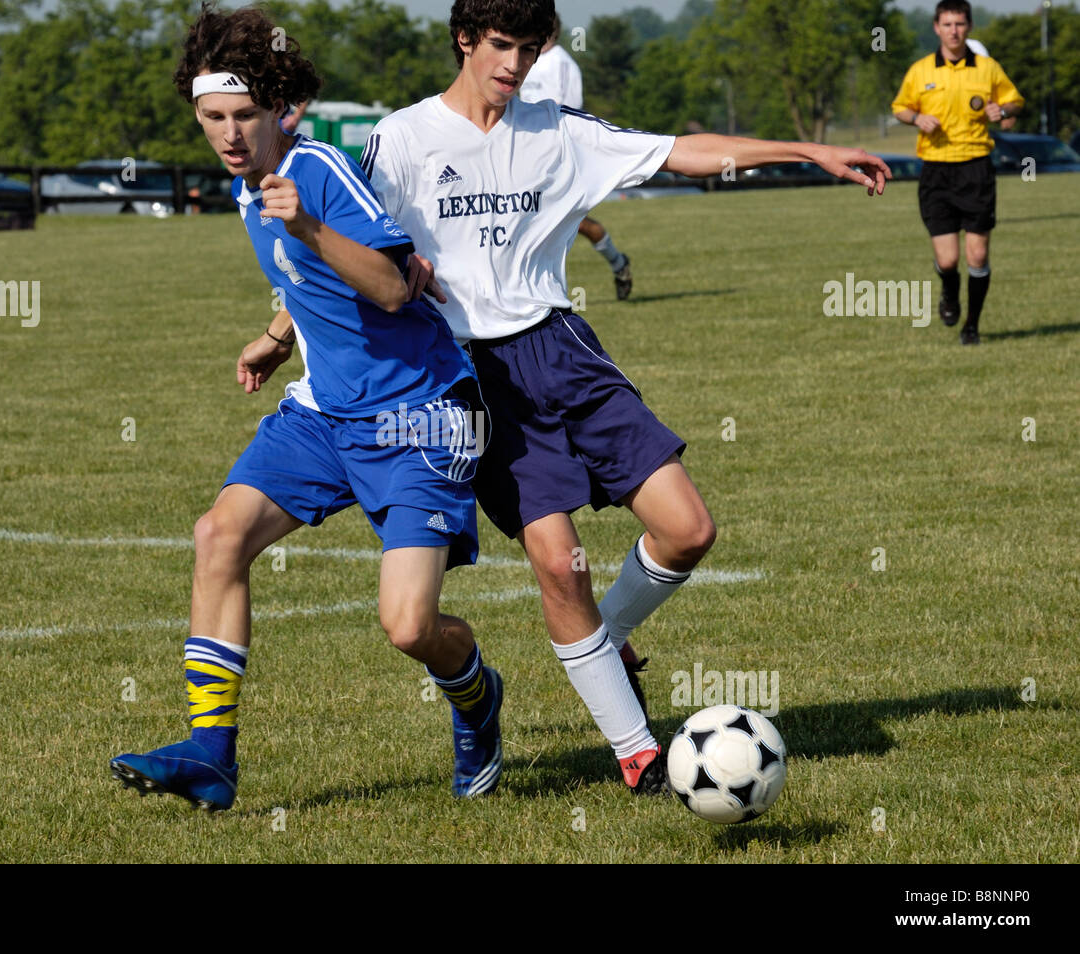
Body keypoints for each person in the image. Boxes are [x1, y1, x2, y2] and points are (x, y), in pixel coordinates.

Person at [346, 0, 887, 795]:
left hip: (564, 352)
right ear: (464, 40)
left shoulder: (558, 130)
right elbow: (341, 242)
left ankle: (608, 637)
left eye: (529, 49)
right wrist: (281, 330)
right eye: (501, 45)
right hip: (475, 378)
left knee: (689, 529)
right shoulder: (402, 138)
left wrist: (805, 149)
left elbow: (682, 152)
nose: (515, 64)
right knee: (560, 565)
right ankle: (637, 753)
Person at [111, 4, 503, 811]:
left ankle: (478, 697)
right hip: (325, 417)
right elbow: (301, 276)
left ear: (278, 109)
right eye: (211, 117)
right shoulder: (246, 187)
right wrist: (275, 333)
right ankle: (212, 756)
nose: (227, 134)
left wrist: (313, 226)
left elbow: (395, 287)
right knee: (219, 533)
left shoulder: (317, 169)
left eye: (243, 116)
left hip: (419, 417)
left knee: (408, 627)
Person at [891, 0, 1023, 345]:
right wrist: (916, 118)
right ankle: (950, 294)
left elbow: (1014, 102)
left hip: (976, 168)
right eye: (947, 24)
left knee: (977, 255)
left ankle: (972, 326)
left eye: (960, 24)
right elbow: (900, 108)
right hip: (935, 171)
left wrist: (1002, 109)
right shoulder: (920, 70)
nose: (954, 31)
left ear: (969, 27)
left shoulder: (987, 68)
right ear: (936, 27)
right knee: (947, 260)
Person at [519, 15, 633, 300]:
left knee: (570, 222)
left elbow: (572, 115)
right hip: (526, 153)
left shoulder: (563, 64)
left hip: (555, 156)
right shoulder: (524, 61)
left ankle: (618, 263)